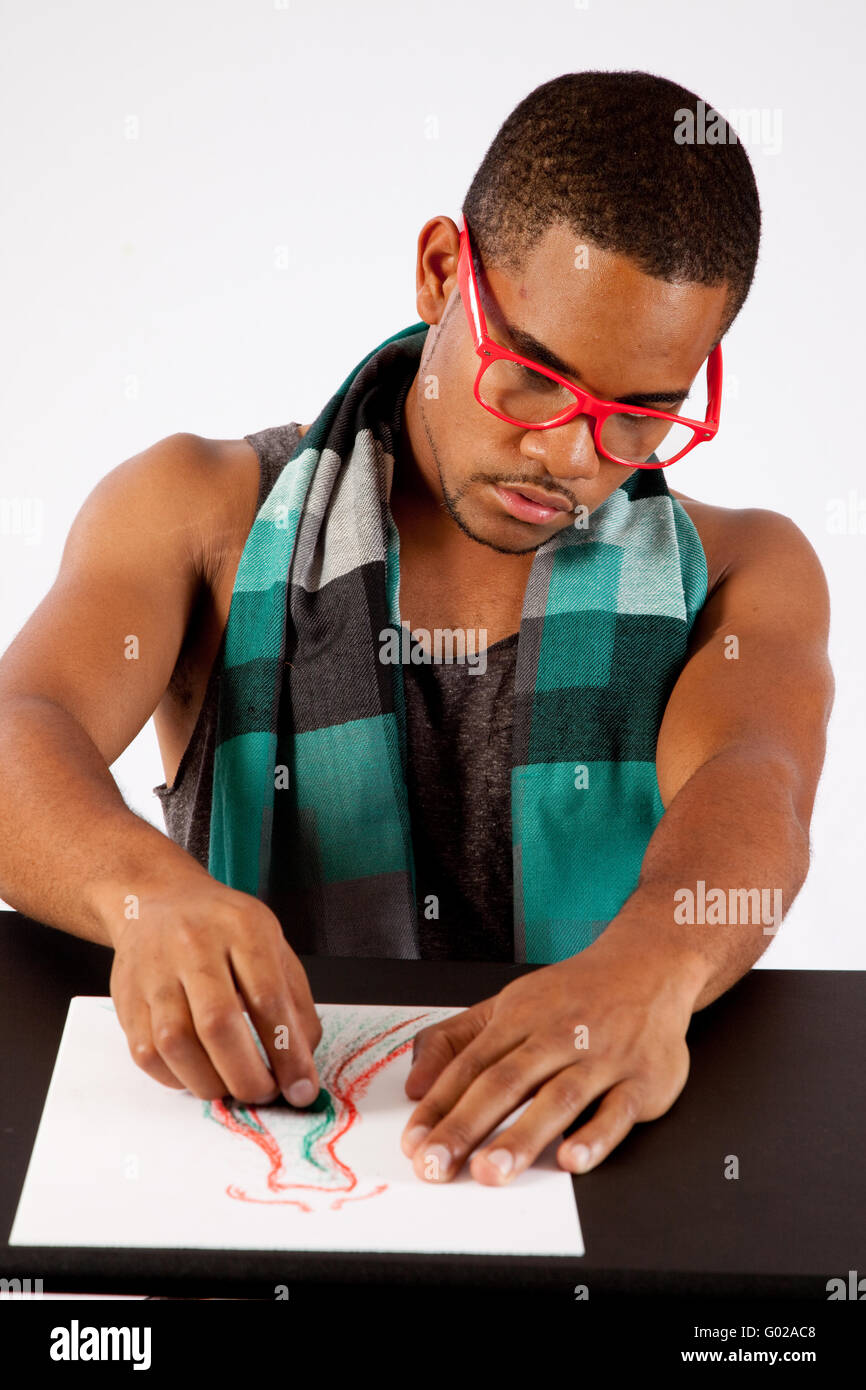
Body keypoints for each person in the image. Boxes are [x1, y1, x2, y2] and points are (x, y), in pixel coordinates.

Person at [0, 71, 833, 1188]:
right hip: (265, 1178)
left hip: (582, 1188)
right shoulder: (201, 511)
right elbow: (21, 725)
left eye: (639, 411)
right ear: (446, 273)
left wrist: (651, 970)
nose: (570, 458)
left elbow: (754, 783)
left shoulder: (741, 569)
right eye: (535, 378)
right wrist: (145, 895)